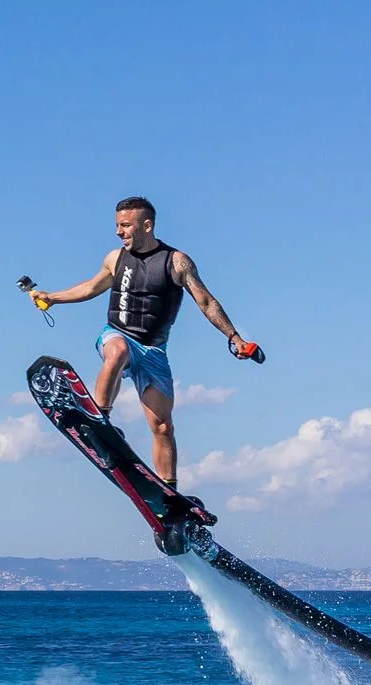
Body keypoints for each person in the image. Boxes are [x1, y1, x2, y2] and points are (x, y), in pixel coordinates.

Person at [21, 196, 258, 488]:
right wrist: (53, 297)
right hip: (117, 333)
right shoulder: (115, 258)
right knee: (118, 351)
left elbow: (206, 302)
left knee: (163, 426)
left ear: (147, 226)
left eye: (125, 225)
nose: (118, 232)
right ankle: (100, 422)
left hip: (153, 350)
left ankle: (169, 495)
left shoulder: (177, 262)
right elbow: (91, 287)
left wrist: (234, 336)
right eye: (117, 225)